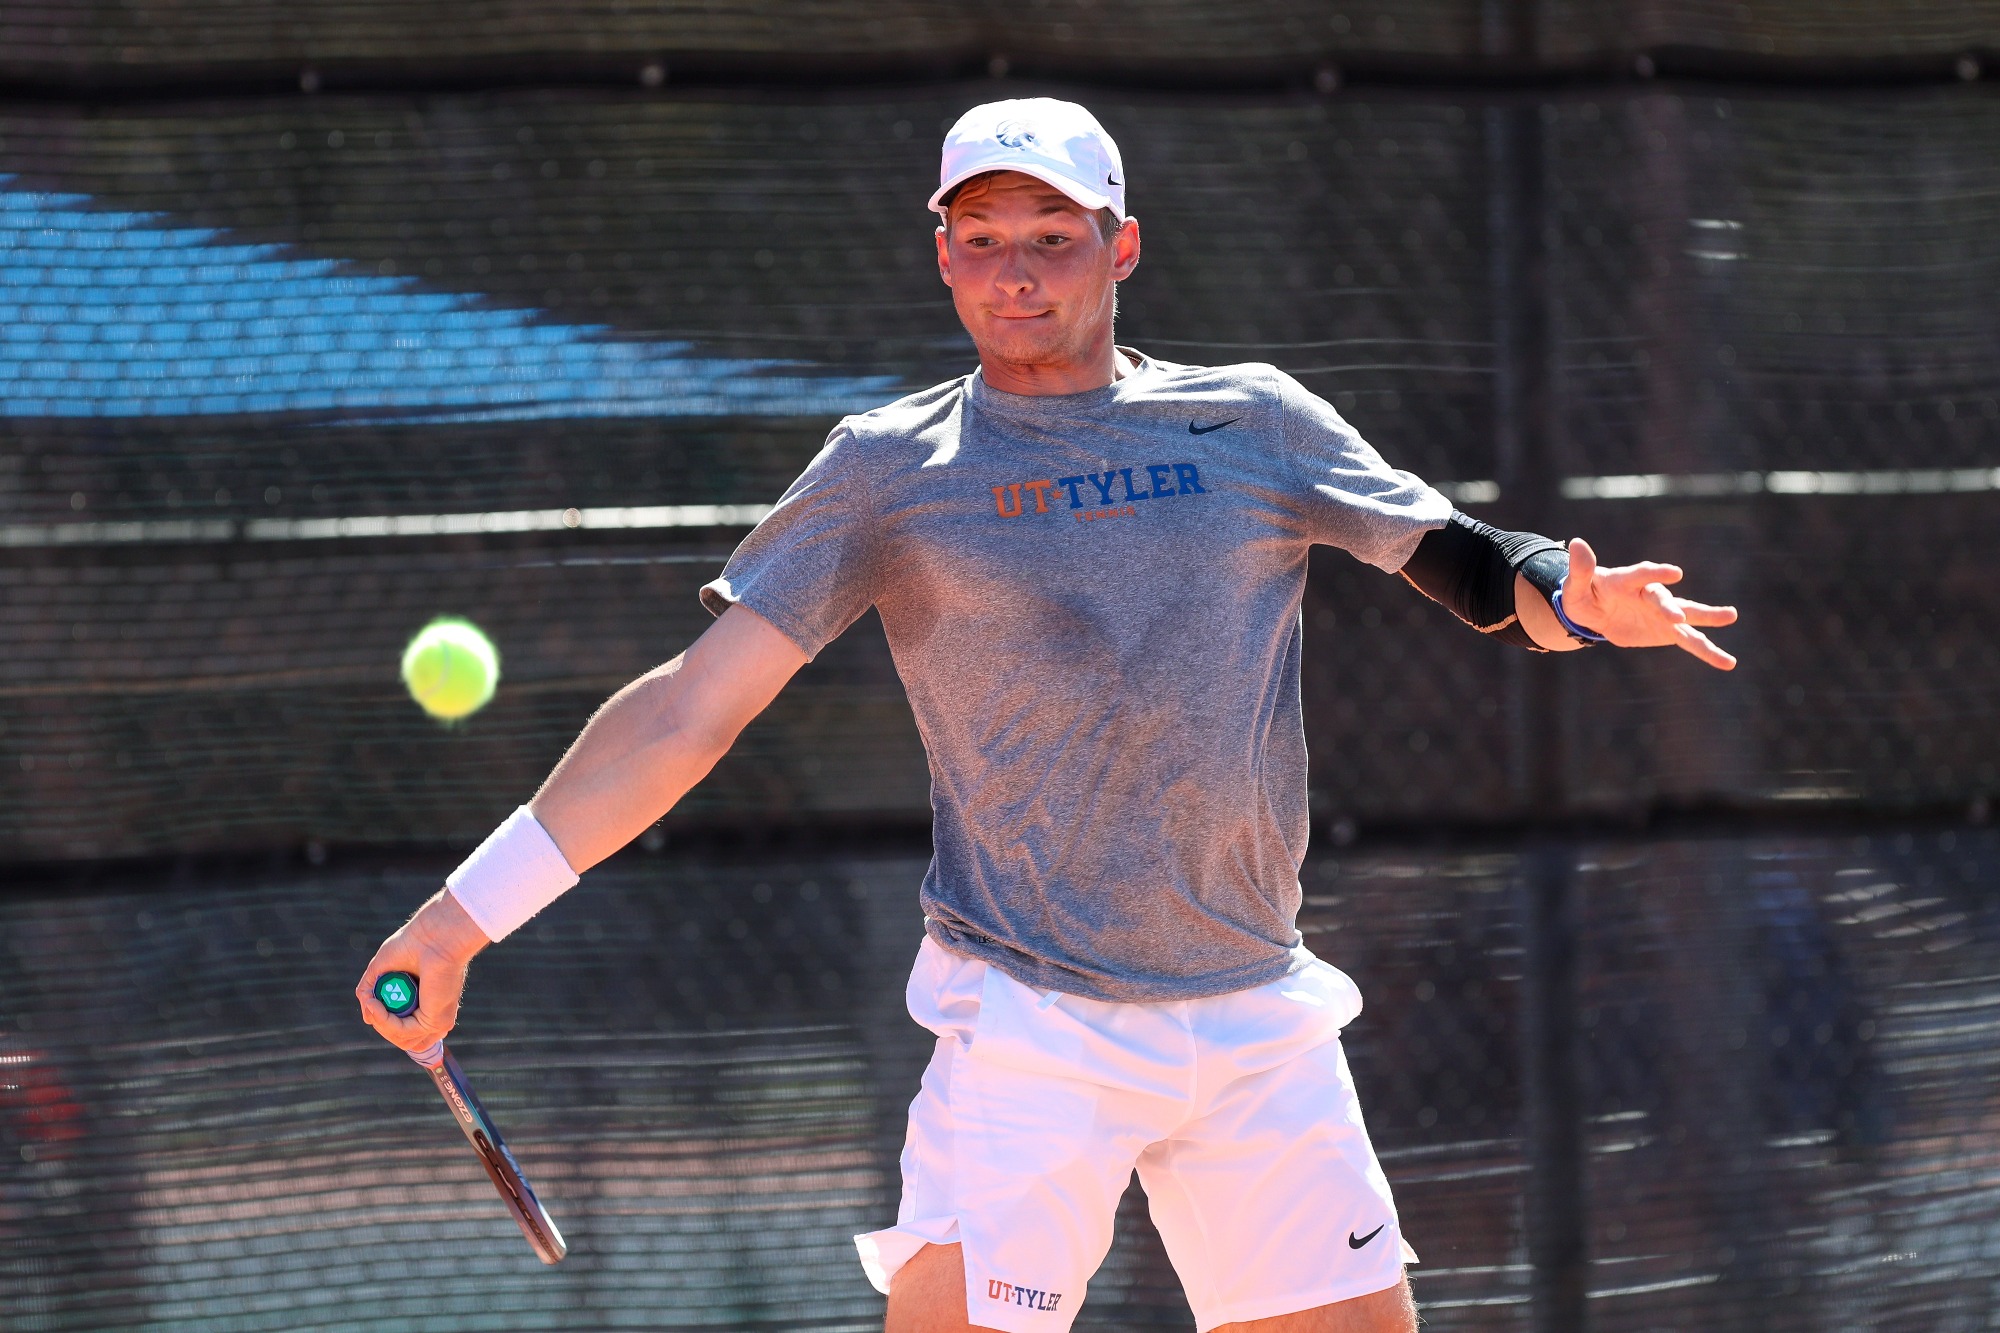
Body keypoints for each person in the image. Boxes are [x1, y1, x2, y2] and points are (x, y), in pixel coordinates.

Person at [357, 98, 1738, 1333]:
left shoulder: (1250, 421)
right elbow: (686, 712)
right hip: (1033, 1022)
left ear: (1122, 248)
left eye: (1052, 236)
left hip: (1256, 1006)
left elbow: (1464, 560)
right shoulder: (889, 472)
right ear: (943, 253)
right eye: (983, 238)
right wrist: (460, 914)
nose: (1015, 270)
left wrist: (1569, 594)